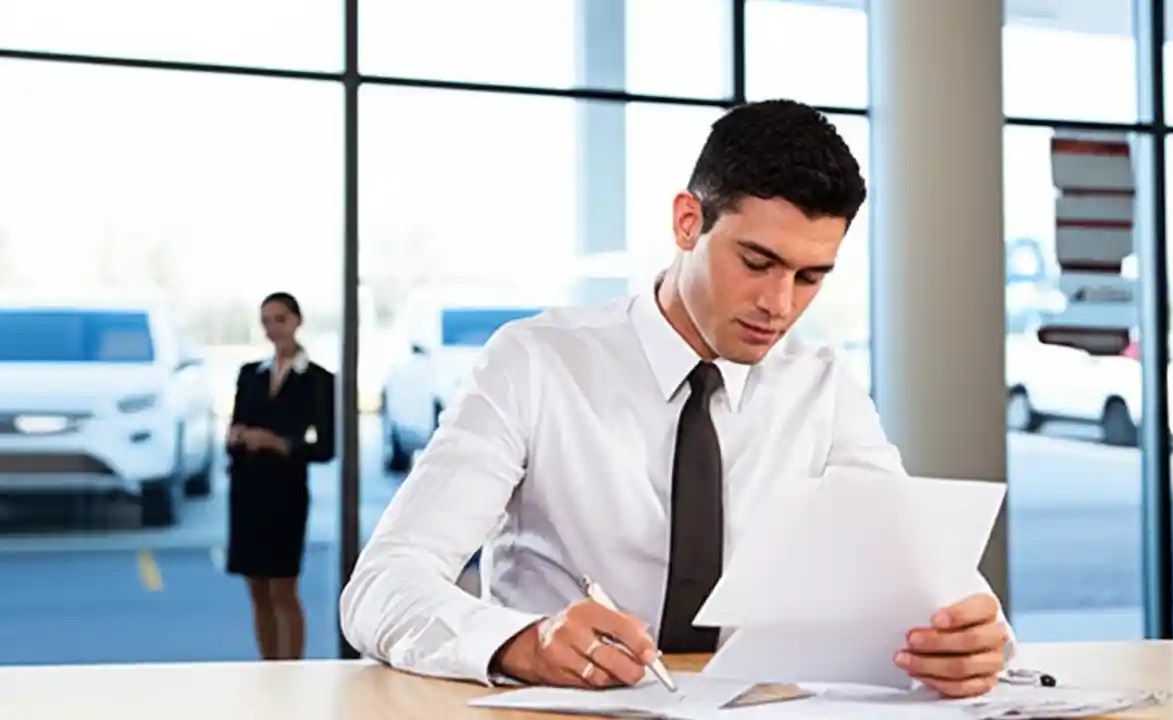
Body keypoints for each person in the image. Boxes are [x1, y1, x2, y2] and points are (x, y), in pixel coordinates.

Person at [340, 99, 1009, 697]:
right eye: (757, 262)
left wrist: (970, 635)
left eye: (810, 277)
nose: (779, 305)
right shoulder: (536, 363)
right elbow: (383, 584)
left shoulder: (823, 387)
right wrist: (524, 643)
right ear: (688, 221)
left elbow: (912, 565)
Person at [226, 292, 334, 660]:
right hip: (248, 490)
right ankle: (268, 666)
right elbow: (235, 426)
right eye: (266, 321)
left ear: (297, 321)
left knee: (283, 588)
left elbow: (325, 447)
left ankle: (293, 669)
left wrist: (277, 443)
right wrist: (238, 437)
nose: (273, 329)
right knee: (256, 588)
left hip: (285, 495)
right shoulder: (250, 375)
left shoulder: (318, 380)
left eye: (280, 319)